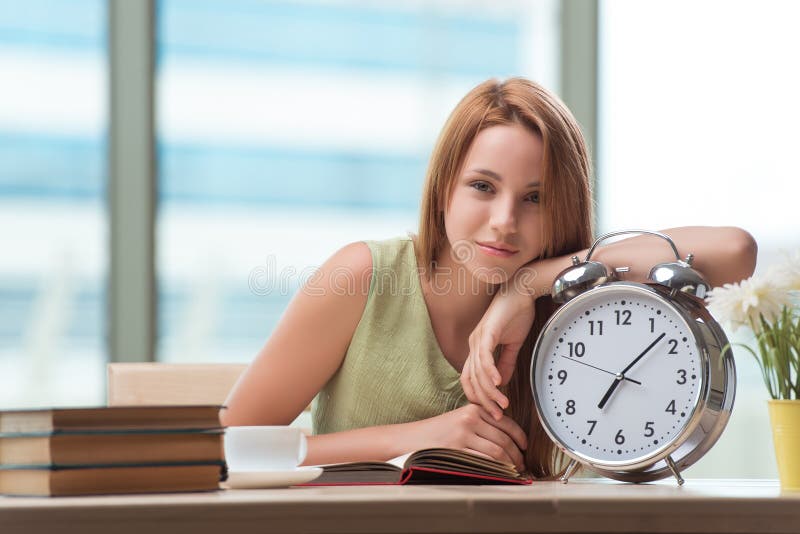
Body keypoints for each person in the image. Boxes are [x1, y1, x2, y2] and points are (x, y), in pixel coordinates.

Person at [221, 77, 757, 478]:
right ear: (443, 191)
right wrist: (421, 440)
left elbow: (734, 251)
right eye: (482, 186)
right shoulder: (361, 277)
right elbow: (224, 449)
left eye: (535, 198)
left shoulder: (573, 302)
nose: (504, 221)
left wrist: (528, 286)